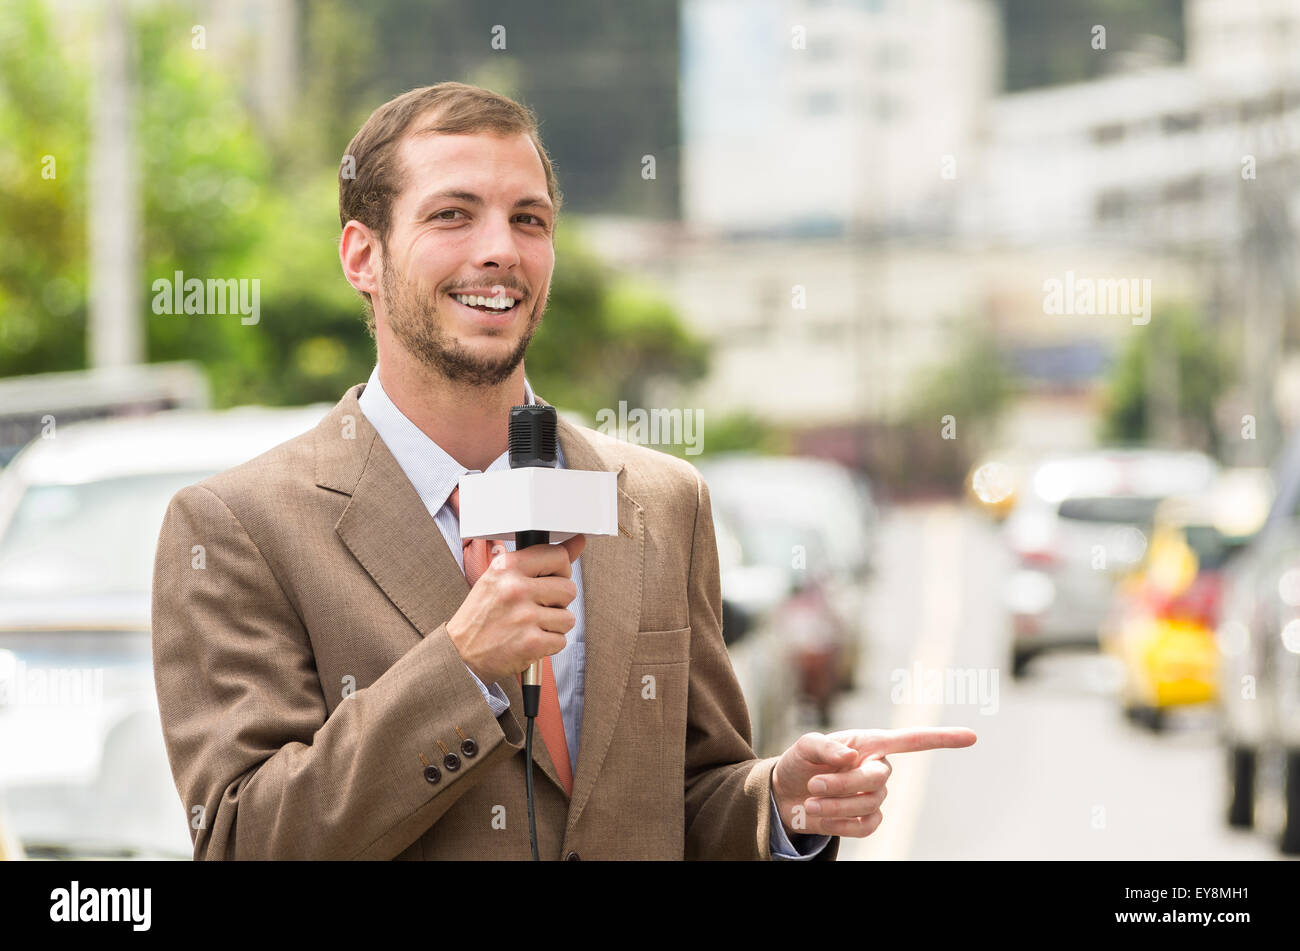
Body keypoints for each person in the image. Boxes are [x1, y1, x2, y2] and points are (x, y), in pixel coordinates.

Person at [151, 81, 976, 860]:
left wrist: (778, 803)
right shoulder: (236, 528)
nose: (500, 251)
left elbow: (684, 798)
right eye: (452, 215)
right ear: (362, 257)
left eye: (529, 219)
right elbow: (239, 836)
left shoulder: (661, 500)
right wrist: (463, 666)